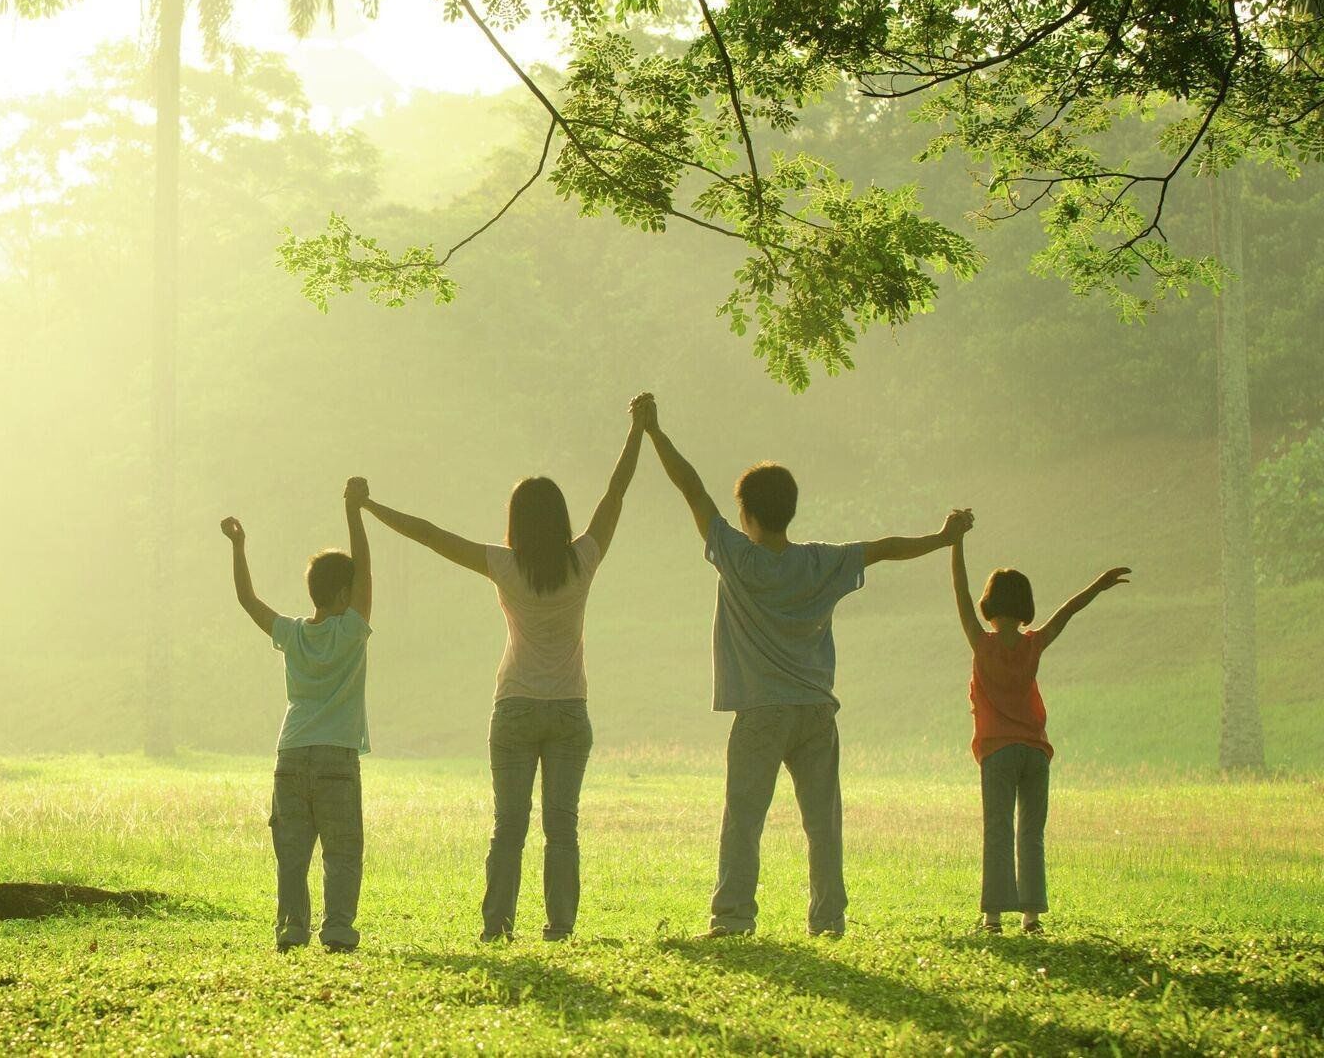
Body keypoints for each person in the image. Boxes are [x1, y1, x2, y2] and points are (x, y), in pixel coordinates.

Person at [637, 392, 973, 938]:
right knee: (823, 823)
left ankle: (734, 918)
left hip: (761, 711)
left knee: (744, 818)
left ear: (745, 513)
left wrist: (654, 431)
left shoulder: (736, 555)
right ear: (789, 510)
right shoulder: (821, 561)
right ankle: (828, 920)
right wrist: (942, 538)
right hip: (817, 711)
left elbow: (691, 488)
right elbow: (884, 548)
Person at [357, 397, 646, 941]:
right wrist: (638, 430)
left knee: (508, 827)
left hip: (513, 709)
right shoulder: (583, 559)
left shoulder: (505, 566)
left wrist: (372, 507)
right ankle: (560, 927)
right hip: (568, 710)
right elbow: (615, 494)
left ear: (515, 521)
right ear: (561, 519)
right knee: (562, 828)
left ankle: (497, 927)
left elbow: (430, 534)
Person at [219, 477, 373, 952]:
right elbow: (366, 568)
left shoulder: (292, 634)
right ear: (346, 594)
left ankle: (291, 928)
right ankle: (339, 929)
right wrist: (354, 510)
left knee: (292, 854)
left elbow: (248, 601)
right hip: (337, 757)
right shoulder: (351, 631)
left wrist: (239, 546)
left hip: (291, 754)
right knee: (342, 850)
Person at [950, 532, 1130, 934]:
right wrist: (1099, 585)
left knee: (997, 828)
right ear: (1026, 606)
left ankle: (993, 918)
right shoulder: (1034, 644)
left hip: (997, 751)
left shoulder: (981, 642)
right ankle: (1031, 919)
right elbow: (1066, 611)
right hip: (1034, 752)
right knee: (1031, 832)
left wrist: (955, 543)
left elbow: (960, 592)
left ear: (989, 605)